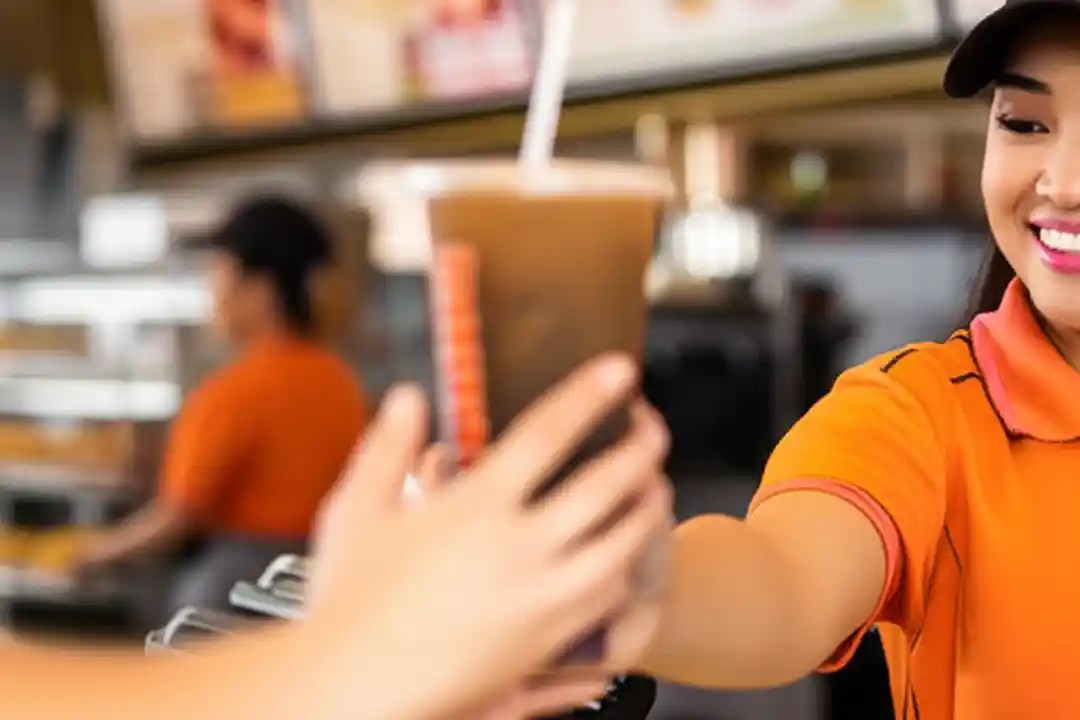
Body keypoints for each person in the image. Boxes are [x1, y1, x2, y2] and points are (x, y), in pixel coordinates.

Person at [621, 1, 1080, 718]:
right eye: (1024, 123)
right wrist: (605, 587)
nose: (1064, 182)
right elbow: (779, 589)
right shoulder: (916, 416)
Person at [2, 355, 673, 719]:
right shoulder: (330, 377)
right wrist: (339, 666)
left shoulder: (233, 392)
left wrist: (346, 666)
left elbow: (179, 513)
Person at [75, 196, 367, 615]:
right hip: (314, 587)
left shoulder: (235, 392)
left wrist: (93, 553)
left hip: (233, 592)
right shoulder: (341, 383)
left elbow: (177, 517)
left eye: (218, 273)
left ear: (260, 288)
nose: (211, 291)